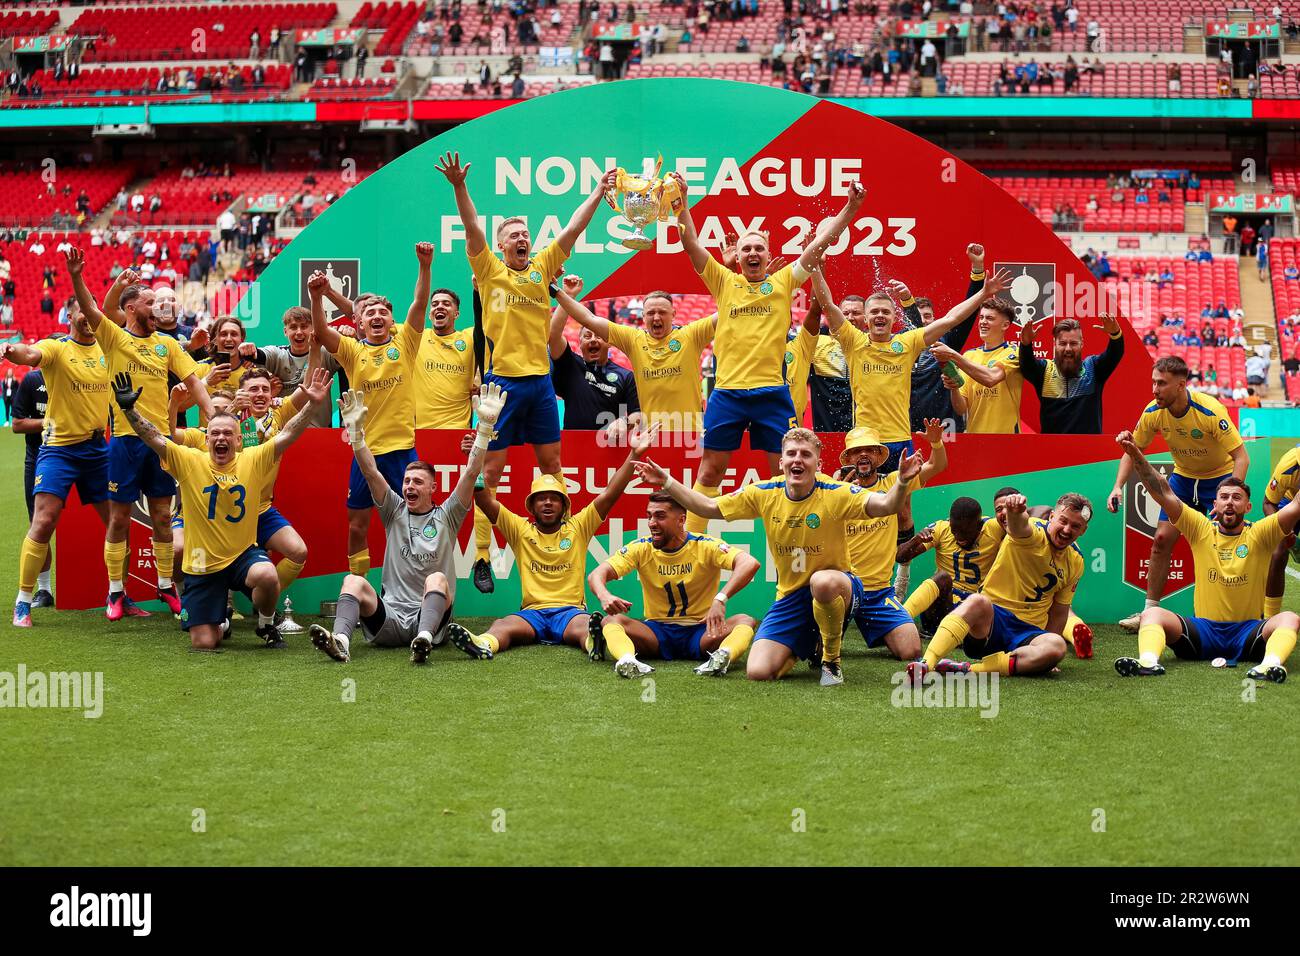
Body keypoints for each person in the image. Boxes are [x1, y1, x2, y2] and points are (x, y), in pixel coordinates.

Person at [435, 151, 613, 589]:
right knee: (487, 474)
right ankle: (480, 556)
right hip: (500, 387)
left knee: (552, 466)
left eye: (525, 234)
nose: (521, 238)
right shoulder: (489, 269)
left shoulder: (542, 268)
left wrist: (597, 191)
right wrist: (460, 185)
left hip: (539, 386)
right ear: (500, 246)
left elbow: (573, 229)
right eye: (513, 234)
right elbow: (473, 228)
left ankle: (561, 543)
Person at [637, 427, 924, 686]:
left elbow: (887, 505)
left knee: (822, 583)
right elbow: (709, 506)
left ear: (817, 464)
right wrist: (668, 482)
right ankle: (806, 643)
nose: (798, 460)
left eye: (806, 455)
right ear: (782, 462)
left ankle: (831, 662)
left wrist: (901, 482)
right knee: (759, 671)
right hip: (789, 596)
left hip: (838, 587)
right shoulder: (764, 493)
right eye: (791, 454)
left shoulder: (835, 492)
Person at [667, 175, 865, 536]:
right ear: (738, 257)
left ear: (769, 256)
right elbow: (690, 241)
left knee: (787, 473)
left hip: (771, 395)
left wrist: (850, 208)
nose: (753, 254)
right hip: (727, 393)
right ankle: (693, 543)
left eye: (759, 248)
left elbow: (821, 244)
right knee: (710, 472)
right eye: (747, 249)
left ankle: (796, 542)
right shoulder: (724, 282)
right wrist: (682, 202)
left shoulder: (783, 282)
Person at [109, 367, 329, 649]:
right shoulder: (189, 460)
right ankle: (220, 621)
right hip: (202, 564)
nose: (221, 438)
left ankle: (265, 623)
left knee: (267, 575)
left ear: (238, 440)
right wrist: (129, 411)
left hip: (241, 556)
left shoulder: (253, 458)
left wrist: (313, 403)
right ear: (206, 438)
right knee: (204, 643)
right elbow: (154, 437)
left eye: (228, 433)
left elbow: (288, 434)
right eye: (215, 434)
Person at [67, 250, 214, 620]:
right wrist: (76, 276)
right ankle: (116, 592)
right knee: (119, 520)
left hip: (163, 443)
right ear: (131, 308)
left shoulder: (167, 345)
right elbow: (93, 307)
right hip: (125, 443)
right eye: (150, 303)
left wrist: (212, 416)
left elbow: (194, 381)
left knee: (164, 517)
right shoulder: (114, 338)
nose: (159, 309)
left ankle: (167, 586)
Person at [311, 384, 504, 664]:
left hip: (430, 622)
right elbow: (370, 471)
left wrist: (484, 429)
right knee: (353, 580)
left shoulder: (448, 515)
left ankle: (423, 641)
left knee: (436, 579)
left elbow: (472, 471)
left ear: (432, 488)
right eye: (406, 481)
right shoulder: (394, 510)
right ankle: (340, 641)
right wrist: (356, 436)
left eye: (417, 482)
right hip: (389, 618)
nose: (409, 486)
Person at [445, 423, 659, 660]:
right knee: (502, 625)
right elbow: (484, 499)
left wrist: (635, 454)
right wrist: (472, 460)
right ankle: (484, 643)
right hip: (532, 615)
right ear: (532, 506)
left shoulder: (579, 527)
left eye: (554, 499)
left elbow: (610, 493)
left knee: (585, 627)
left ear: (564, 505)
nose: (547, 503)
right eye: (541, 499)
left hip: (570, 613)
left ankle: (592, 643)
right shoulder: (519, 529)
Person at [1114, 436, 1298, 684]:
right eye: (1224, 497)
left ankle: (1269, 666)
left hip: (1248, 632)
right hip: (1203, 631)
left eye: (1236, 498)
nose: (1230, 502)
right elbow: (1161, 490)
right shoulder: (1200, 528)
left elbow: (1296, 504)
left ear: (1248, 506)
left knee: (1290, 618)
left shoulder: (1261, 533)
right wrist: (1136, 455)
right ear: (1215, 504)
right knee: (1151, 615)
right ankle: (1148, 662)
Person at [308, 242, 433, 579]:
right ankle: (359, 590)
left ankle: (416, 587)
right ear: (359, 323)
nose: (377, 316)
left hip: (402, 452)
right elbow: (320, 332)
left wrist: (424, 265)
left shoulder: (406, 342)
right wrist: (317, 297)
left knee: (414, 526)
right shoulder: (351, 351)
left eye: (383, 312)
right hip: (366, 454)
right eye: (369, 313)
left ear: (391, 319)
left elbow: (420, 302)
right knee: (357, 527)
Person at [1108, 356, 1249, 631]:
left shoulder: (1210, 411)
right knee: (1161, 539)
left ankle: (1229, 615)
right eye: (1153, 382)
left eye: (1161, 383)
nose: (1154, 389)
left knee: (1221, 548)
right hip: (1183, 480)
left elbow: (1241, 458)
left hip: (1218, 481)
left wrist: (1229, 497)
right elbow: (1132, 449)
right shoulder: (1153, 412)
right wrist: (1117, 486)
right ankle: (1149, 614)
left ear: (1181, 385)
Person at [2, 302, 113, 626]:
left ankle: (118, 594)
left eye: (94, 310)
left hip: (97, 449)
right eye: (83, 310)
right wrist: (12, 350)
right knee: (44, 519)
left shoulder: (108, 349)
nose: (89, 317)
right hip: (60, 449)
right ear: (69, 315)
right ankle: (23, 601)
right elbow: (30, 354)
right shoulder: (57, 348)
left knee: (117, 523)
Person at [913, 491, 1090, 680]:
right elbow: (1019, 526)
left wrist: (1048, 660)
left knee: (1057, 646)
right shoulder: (1034, 532)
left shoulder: (1076, 561)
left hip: (1027, 636)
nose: (1067, 529)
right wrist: (1015, 511)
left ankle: (968, 670)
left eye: (1075, 526)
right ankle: (926, 664)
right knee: (977, 602)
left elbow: (1059, 612)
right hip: (991, 623)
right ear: (1052, 516)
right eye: (1063, 521)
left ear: (1083, 530)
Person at [586, 492, 761, 679]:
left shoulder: (705, 546)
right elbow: (596, 574)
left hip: (701, 632)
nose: (652, 523)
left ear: (681, 519)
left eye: (660, 516)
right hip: (656, 632)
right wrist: (605, 595)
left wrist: (721, 598)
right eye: (649, 516)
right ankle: (627, 660)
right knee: (611, 620)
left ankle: (722, 657)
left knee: (744, 620)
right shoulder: (640, 548)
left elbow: (749, 563)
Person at [839, 421, 948, 665]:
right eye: (856, 450)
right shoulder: (837, 490)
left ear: (878, 456)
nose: (863, 454)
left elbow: (938, 465)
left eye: (869, 449)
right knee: (812, 648)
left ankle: (879, 627)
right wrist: (841, 492)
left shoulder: (894, 483)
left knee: (910, 650)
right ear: (849, 459)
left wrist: (936, 442)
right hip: (843, 588)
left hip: (877, 592)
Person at [897, 495, 1005, 637]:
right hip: (942, 609)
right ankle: (899, 621)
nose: (959, 537)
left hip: (975, 608)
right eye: (955, 531)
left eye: (966, 532)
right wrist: (916, 540)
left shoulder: (993, 528)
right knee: (942, 577)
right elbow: (900, 557)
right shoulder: (941, 529)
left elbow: (1038, 515)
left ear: (979, 526)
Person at [547, 274, 640, 434]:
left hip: (609, 447)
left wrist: (624, 421)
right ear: (580, 342)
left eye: (599, 336)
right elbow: (553, 335)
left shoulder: (626, 377)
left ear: (610, 342)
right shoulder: (570, 364)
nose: (593, 340)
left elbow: (637, 414)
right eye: (587, 336)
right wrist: (568, 296)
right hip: (573, 446)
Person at [1019, 313, 1125, 433]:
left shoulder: (1093, 368)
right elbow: (1026, 366)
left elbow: (1115, 354)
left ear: (1082, 344)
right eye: (1063, 343)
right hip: (1052, 449)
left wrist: (1115, 334)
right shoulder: (1045, 370)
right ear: (1055, 345)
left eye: (1073, 343)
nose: (1068, 349)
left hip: (1089, 450)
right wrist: (1025, 344)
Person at [934, 295, 1023, 433]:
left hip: (1007, 440)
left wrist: (952, 355)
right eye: (981, 317)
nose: (983, 322)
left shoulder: (1015, 353)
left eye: (990, 318)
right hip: (975, 439)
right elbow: (961, 408)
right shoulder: (969, 356)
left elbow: (990, 379)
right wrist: (954, 387)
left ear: (1005, 325)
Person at [257, 306, 341, 429]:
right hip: (283, 433)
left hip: (320, 431)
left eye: (304, 326)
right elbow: (256, 355)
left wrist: (348, 335)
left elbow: (353, 352)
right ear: (285, 331)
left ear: (313, 329)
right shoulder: (277, 354)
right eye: (293, 327)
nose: (299, 332)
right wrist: (248, 350)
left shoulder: (325, 352)